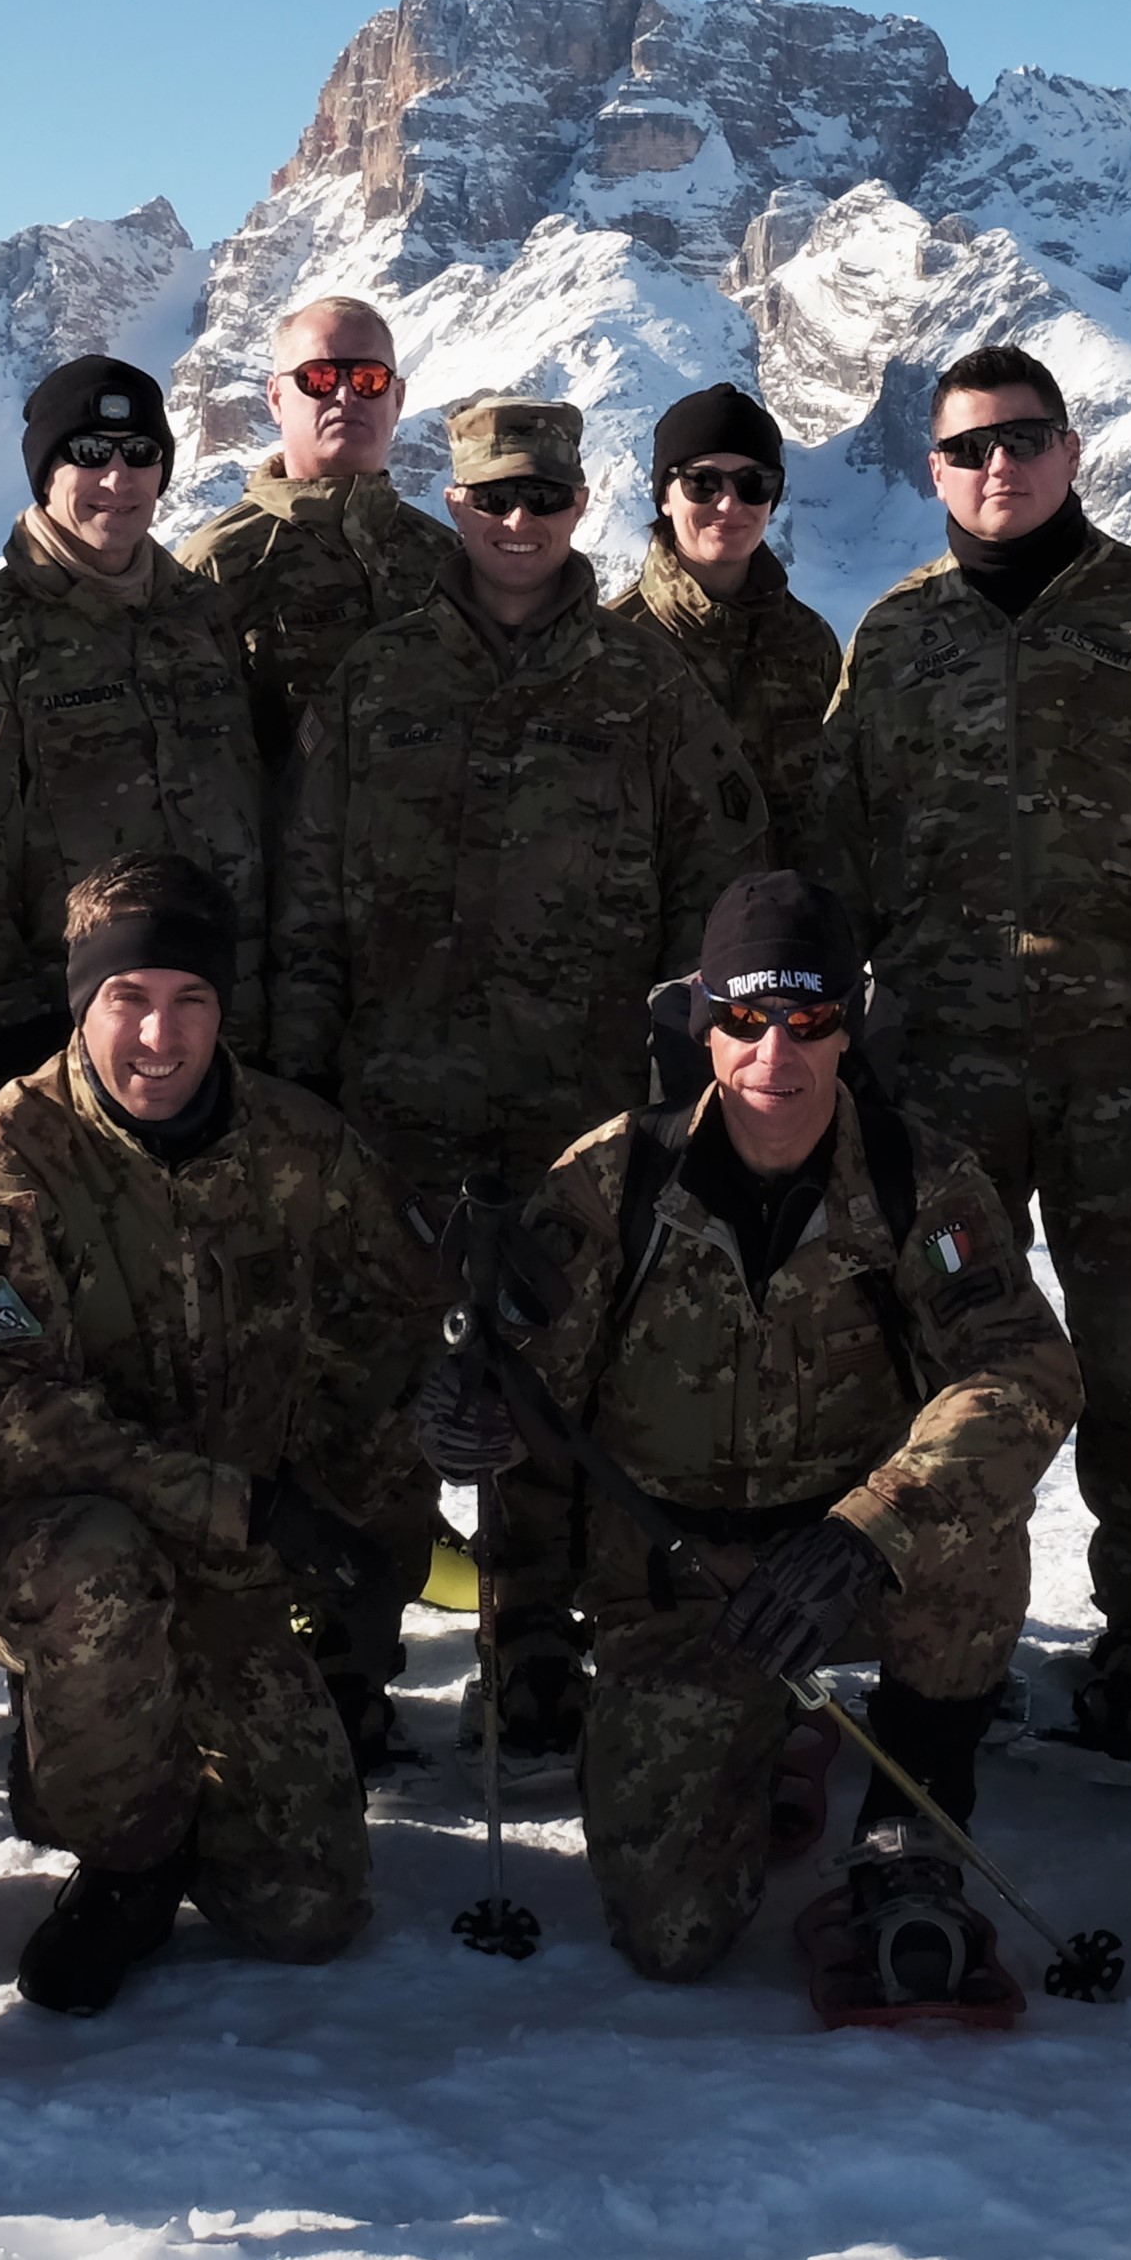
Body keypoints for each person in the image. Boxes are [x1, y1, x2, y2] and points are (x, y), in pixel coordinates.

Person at [426, 874, 1080, 1983]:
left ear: (847, 1026)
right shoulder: (606, 1183)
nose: (773, 1053)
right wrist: (457, 1412)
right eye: (743, 1018)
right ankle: (762, 1738)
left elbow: (1024, 1369)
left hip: (850, 1557)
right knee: (670, 1937)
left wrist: (868, 1528)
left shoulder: (921, 1182)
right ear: (702, 1021)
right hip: (679, 1576)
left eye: (808, 1020)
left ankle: (909, 1817)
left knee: (972, 1518)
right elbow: (512, 1370)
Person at [274, 394, 768, 1762]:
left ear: (579, 506)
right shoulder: (373, 682)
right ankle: (350, 1643)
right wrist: (303, 1075)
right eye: (491, 497)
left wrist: (687, 1085)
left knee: (559, 1370)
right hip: (392, 1098)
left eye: (541, 499)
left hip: (582, 1100)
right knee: (375, 1372)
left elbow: (709, 897)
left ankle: (536, 1630)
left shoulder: (643, 682)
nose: (515, 521)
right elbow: (307, 893)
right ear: (454, 505)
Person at [822, 347, 1131, 1764]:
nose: (996, 468)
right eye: (967, 448)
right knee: (946, 1363)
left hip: (1128, 1072)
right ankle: (941, 1635)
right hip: (944, 1073)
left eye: (1023, 440)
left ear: (1072, 449)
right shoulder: (896, 637)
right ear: (932, 469)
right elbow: (840, 842)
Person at [0, 857, 448, 2015]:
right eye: (126, 1000)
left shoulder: (299, 1144)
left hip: (229, 1565)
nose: (157, 1038)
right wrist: (248, 1504)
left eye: (189, 1002)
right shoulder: (8, 1156)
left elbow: (400, 1320)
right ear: (82, 1002)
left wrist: (366, 1521)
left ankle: (143, 1737)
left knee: (310, 1909)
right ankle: (124, 1854)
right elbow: (10, 1417)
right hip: (49, 1549)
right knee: (97, 1568)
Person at [0, 355, 269, 1103]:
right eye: (88, 454)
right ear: (46, 472)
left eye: (140, 455)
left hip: (230, 1013)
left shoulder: (201, 615)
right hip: (73, 1029)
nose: (118, 478)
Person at [176, 295, 456, 797]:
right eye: (319, 378)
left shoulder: (446, 559)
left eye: (369, 379)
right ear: (277, 398)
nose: (346, 396)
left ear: (398, 399)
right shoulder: (217, 566)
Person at [608, 381, 841, 880]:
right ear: (664, 497)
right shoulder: (607, 643)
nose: (729, 505)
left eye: (753, 483)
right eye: (703, 483)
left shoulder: (808, 643)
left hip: (794, 941)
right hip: (657, 952)